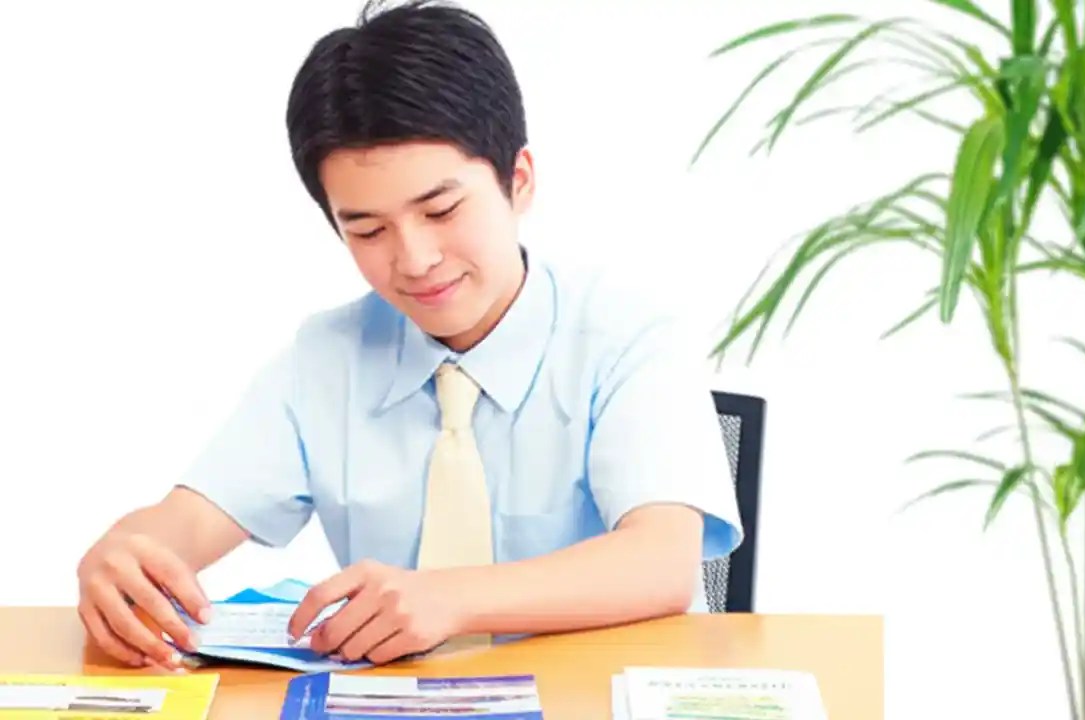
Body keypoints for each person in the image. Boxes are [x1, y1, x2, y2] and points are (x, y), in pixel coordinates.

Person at [74, 0, 742, 672]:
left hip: (599, 697)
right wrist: (128, 554)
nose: (415, 258)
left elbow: (661, 560)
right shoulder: (327, 358)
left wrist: (450, 599)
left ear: (519, 181)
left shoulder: (630, 334)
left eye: (442, 209)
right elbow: (189, 522)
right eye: (367, 230)